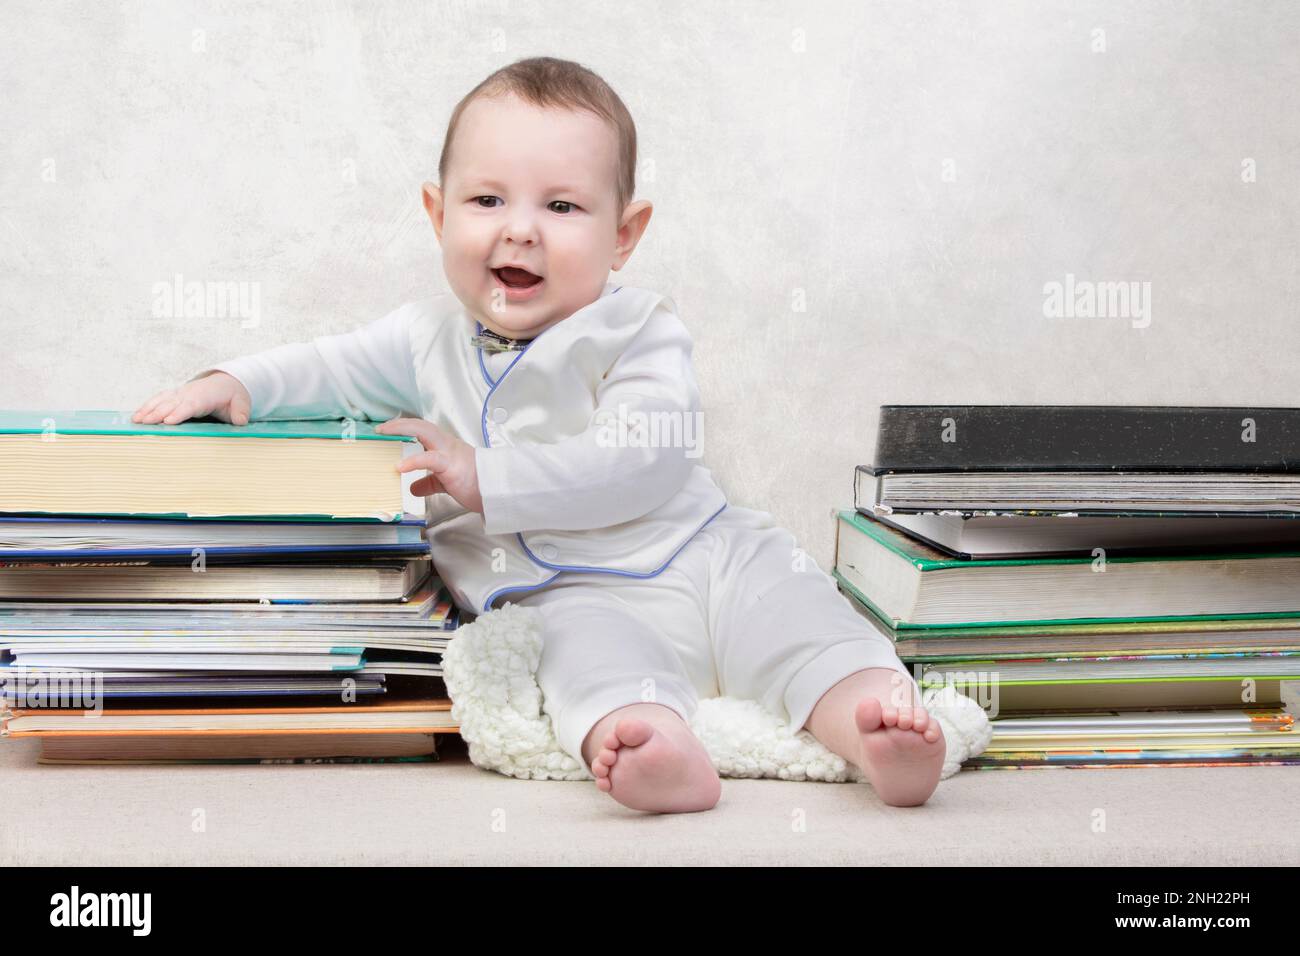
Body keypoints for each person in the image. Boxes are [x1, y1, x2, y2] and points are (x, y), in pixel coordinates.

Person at [133, 56, 945, 813]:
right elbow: (330, 368)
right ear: (436, 211)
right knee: (579, 659)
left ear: (623, 234)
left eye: (561, 206)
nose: (520, 230)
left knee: (796, 610)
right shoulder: (426, 337)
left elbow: (643, 458)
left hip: (706, 555)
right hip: (567, 591)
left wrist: (486, 477)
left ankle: (872, 722)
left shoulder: (636, 329)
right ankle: (655, 744)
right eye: (488, 200)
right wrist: (238, 380)